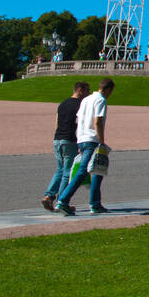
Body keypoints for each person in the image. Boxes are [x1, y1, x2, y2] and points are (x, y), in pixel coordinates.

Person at [54, 78, 115, 215]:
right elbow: (98, 121)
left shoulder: (86, 100)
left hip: (82, 138)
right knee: (83, 171)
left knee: (98, 170)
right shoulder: (101, 100)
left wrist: (79, 140)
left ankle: (95, 203)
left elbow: (79, 120)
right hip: (92, 139)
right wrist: (102, 141)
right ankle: (63, 200)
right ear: (108, 90)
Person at [43, 81, 89, 210]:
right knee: (67, 172)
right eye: (86, 91)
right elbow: (81, 124)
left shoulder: (62, 104)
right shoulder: (80, 105)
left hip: (57, 138)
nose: (88, 94)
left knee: (60, 169)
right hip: (70, 139)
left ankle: (49, 195)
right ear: (80, 90)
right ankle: (61, 201)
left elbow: (57, 123)